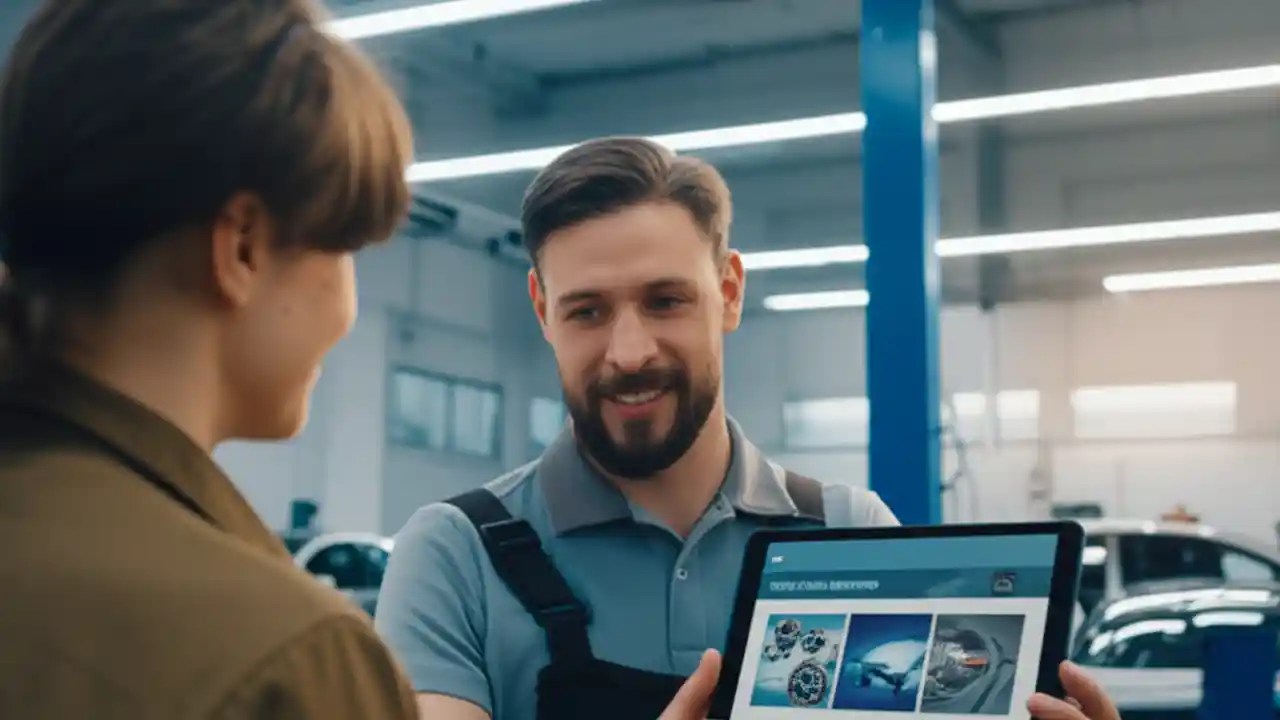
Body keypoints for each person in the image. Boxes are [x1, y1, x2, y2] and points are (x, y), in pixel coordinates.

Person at [373, 138, 1125, 720]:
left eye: (666, 300)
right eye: (587, 310)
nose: (630, 351)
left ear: (728, 291)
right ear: (542, 311)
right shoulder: (455, 558)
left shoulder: (847, 531)